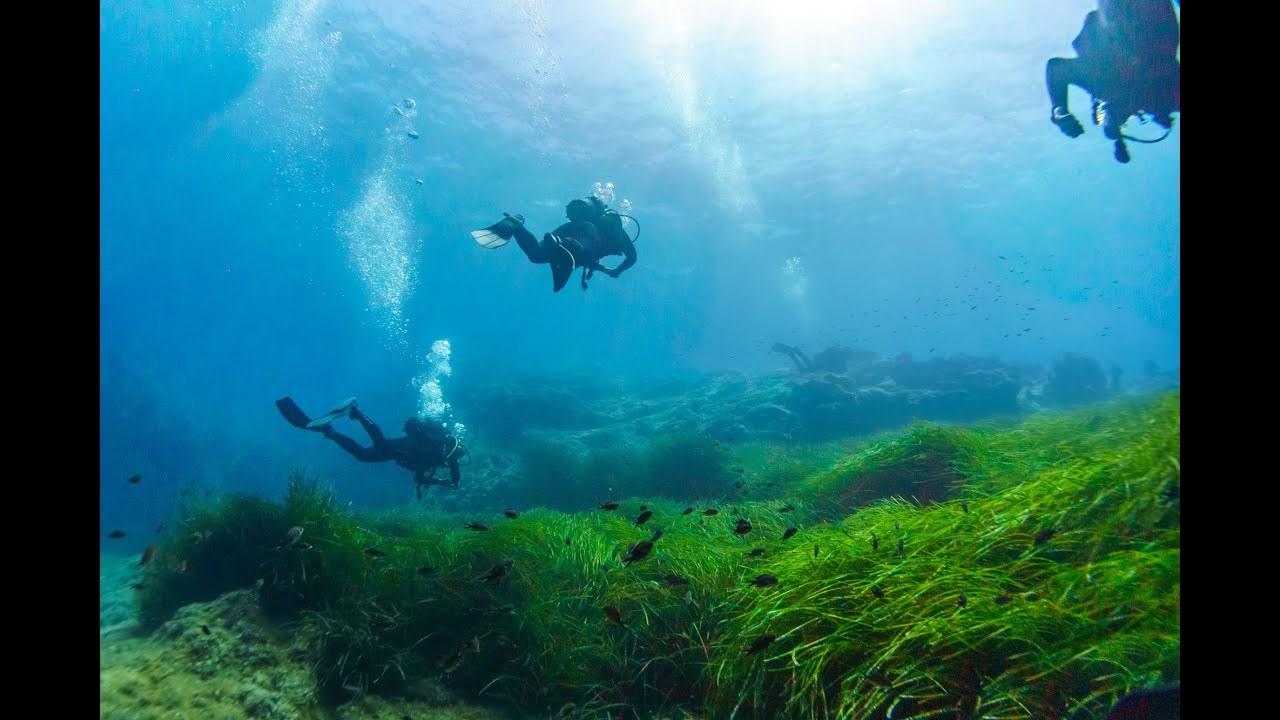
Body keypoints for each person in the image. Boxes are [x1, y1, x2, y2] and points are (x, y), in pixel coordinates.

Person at [1045, 0, 1180, 163]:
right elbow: (1057, 69)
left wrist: (1060, 110)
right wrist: (1060, 110)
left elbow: (1057, 69)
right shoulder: (1109, 85)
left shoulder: (1106, 84)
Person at [275, 396, 467, 498]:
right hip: (405, 447)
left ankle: (330, 431)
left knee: (363, 455)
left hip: (400, 452)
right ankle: (356, 411)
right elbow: (441, 473)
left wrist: (444, 482)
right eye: (454, 459)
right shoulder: (440, 452)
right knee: (381, 443)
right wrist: (447, 482)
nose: (451, 462)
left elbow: (428, 476)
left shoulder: (441, 455)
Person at [470, 194, 638, 292]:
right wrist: (618, 270)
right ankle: (570, 244)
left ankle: (517, 226)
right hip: (582, 242)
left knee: (536, 255)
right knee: (584, 250)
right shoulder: (618, 236)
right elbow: (632, 258)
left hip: (569, 233)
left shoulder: (593, 227)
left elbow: (590, 261)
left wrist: (606, 270)